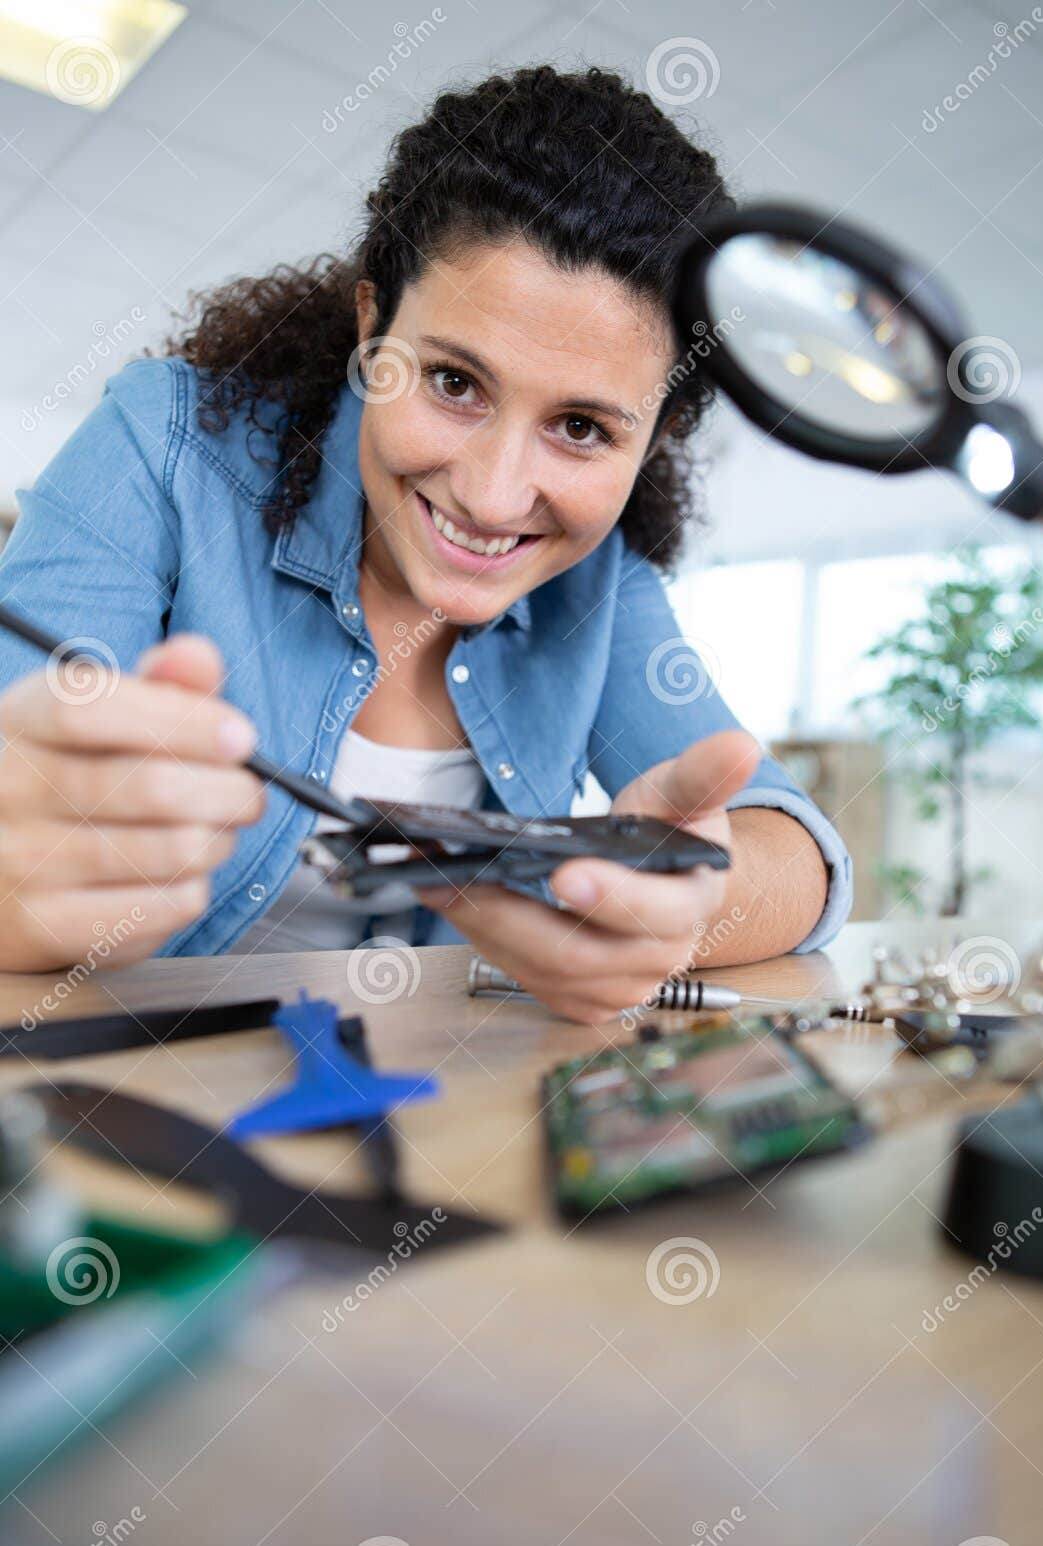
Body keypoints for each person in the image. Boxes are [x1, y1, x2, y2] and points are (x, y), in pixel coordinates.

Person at [0, 65, 851, 1023]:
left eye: (581, 428)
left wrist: (677, 907)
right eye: (453, 382)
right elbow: (18, 792)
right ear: (374, 329)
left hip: (440, 1124)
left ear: (653, 440)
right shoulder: (163, 448)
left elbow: (799, 848)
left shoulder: (596, 583)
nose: (491, 497)